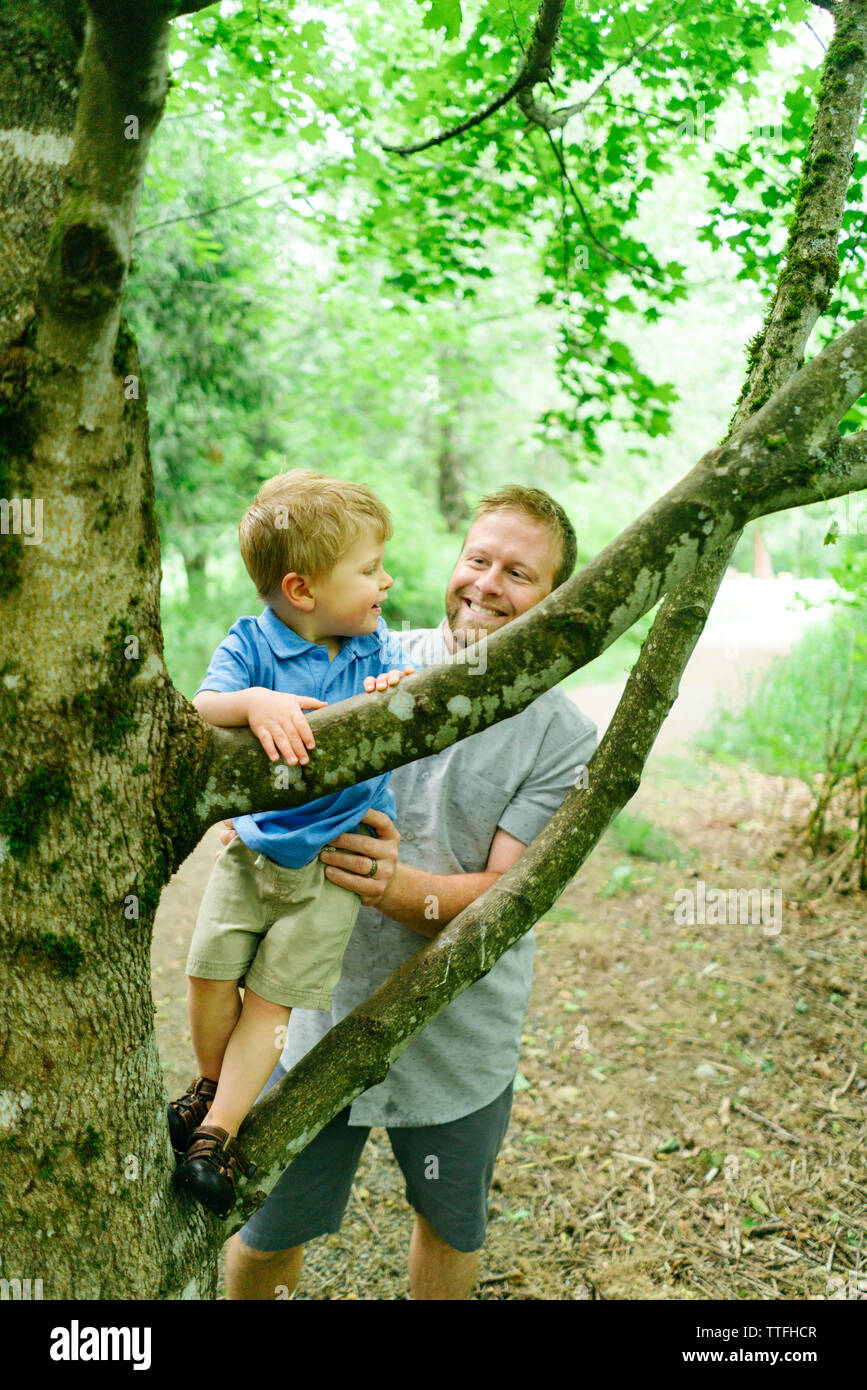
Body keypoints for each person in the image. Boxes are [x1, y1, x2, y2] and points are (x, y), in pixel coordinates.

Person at [222, 484, 598, 1299]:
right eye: (478, 559)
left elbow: (511, 892)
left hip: (457, 1030)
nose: (487, 584)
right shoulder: (364, 657)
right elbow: (267, 744)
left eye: (518, 574)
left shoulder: (561, 733)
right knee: (263, 1231)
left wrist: (399, 887)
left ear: (555, 596)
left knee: (447, 1225)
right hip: (311, 1013)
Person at [169, 470, 415, 1217]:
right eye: (369, 570)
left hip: (329, 869)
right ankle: (210, 1083)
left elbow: (399, 704)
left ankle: (216, 1132)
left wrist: (390, 696)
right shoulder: (249, 644)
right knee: (211, 977)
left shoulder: (376, 648)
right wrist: (255, 701)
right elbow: (204, 706)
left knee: (271, 1003)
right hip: (251, 853)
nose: (386, 581)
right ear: (302, 590)